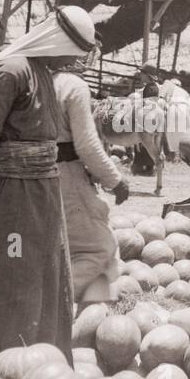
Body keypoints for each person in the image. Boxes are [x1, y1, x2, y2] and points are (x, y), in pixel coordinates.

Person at [0, 7, 97, 379]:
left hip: (44, 193)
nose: (74, 62)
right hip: (11, 193)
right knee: (10, 274)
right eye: (74, 53)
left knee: (44, 274)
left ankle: (41, 365)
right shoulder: (12, 71)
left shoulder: (44, 74)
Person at [52, 67, 130, 306]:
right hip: (66, 171)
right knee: (98, 249)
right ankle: (56, 305)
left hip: (34, 172)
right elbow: (87, 145)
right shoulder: (71, 84)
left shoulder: (33, 77)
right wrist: (115, 180)